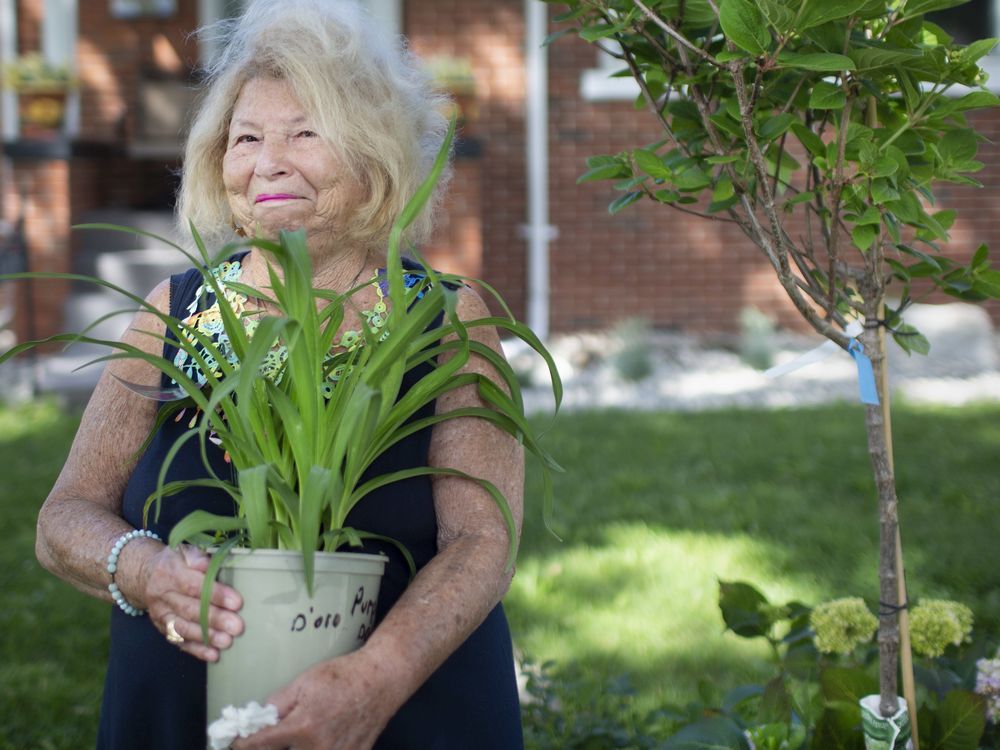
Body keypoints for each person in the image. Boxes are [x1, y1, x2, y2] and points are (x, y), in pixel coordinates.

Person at [34, 2, 525, 748]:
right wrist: (141, 570)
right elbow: (63, 516)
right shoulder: (175, 313)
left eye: (305, 133)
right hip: (180, 719)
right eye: (246, 138)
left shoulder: (448, 320)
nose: (269, 161)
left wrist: (373, 684)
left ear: (374, 158)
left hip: (405, 715)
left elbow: (481, 540)